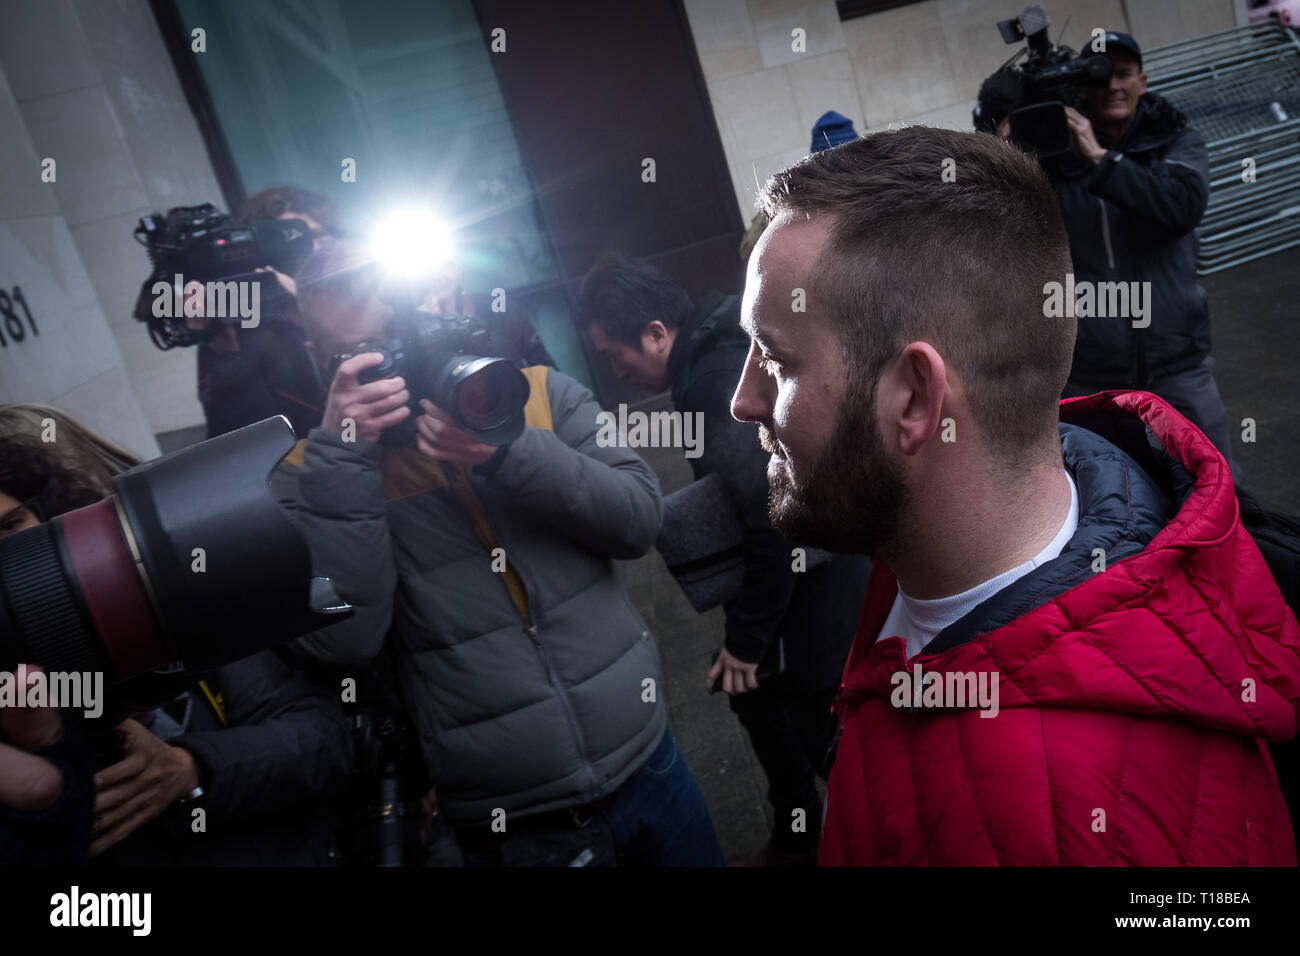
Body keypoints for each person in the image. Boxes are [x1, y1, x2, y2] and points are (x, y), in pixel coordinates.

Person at [729, 126, 1300, 865]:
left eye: (774, 360)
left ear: (913, 401)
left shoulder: (1069, 829)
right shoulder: (913, 534)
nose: (743, 401)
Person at [276, 240, 723, 867]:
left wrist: (510, 450)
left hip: (648, 757)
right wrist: (344, 455)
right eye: (364, 361)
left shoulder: (536, 395)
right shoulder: (308, 474)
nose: (395, 370)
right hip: (512, 819)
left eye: (399, 341)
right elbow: (343, 639)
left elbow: (638, 520)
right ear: (317, 362)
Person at [580, 254, 870, 865]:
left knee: (826, 732)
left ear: (657, 332)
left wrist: (746, 641)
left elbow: (770, 517)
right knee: (759, 699)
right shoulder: (721, 342)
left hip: (813, 584)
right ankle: (805, 832)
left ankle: (860, 838)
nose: (616, 369)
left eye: (614, 354)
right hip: (823, 566)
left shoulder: (713, 379)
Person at [0, 414, 354, 865]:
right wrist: (61, 757)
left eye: (12, 527)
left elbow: (322, 739)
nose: (10, 563)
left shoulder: (165, 603)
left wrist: (192, 767)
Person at [1033, 33, 1240, 482]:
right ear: (1081, 90)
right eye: (1100, 77)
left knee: (1217, 480)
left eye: (1123, 74)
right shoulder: (1057, 160)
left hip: (1176, 358)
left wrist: (1101, 160)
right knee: (1111, 488)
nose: (1112, 86)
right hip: (1092, 368)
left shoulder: (1176, 140)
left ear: (1143, 82)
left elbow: (1179, 207)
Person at [193, 186, 339, 439]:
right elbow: (245, 443)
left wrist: (312, 320)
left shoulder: (366, 297)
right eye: (292, 241)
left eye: (316, 235)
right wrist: (229, 357)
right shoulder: (239, 320)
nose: (312, 249)